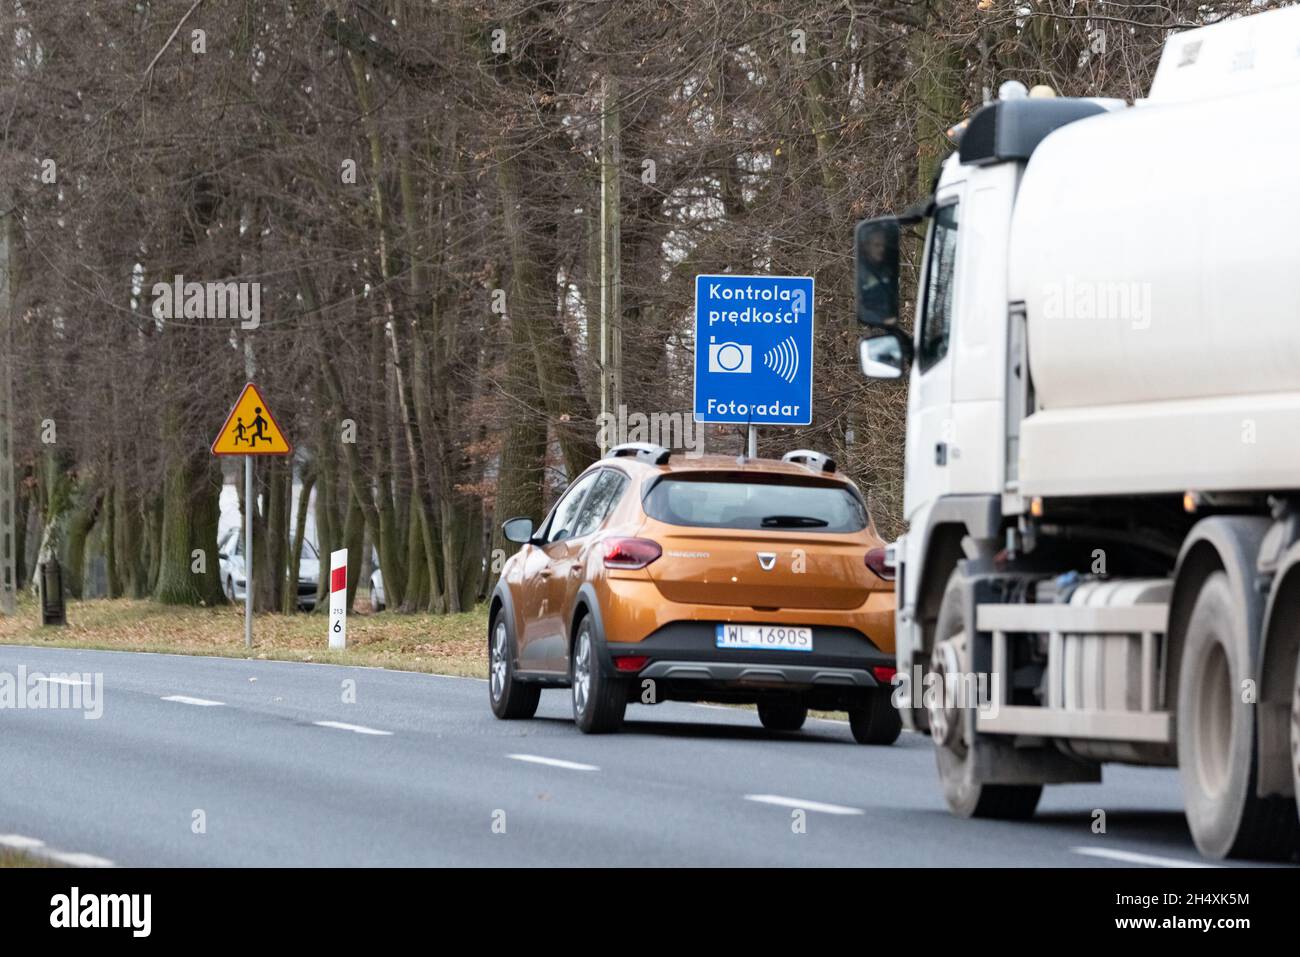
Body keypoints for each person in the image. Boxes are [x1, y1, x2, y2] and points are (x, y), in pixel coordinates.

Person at [858, 224, 899, 326]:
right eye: (876, 245)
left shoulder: (886, 270)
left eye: (883, 245)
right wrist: (882, 320)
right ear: (867, 247)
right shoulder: (863, 274)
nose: (881, 249)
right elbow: (865, 307)